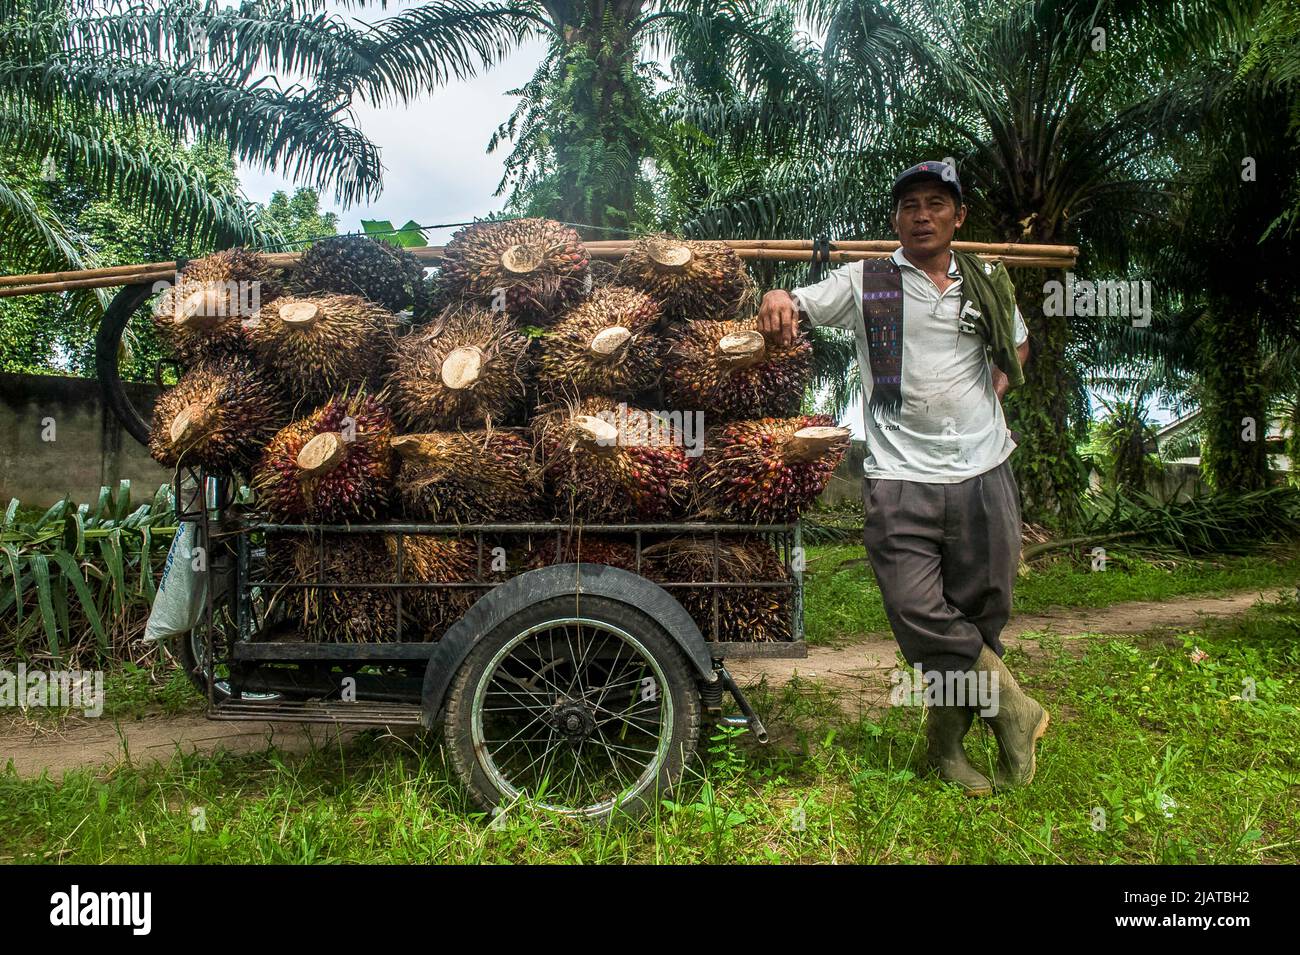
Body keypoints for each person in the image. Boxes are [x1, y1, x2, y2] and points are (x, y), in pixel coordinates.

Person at [757, 160, 1049, 795]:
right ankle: (1015, 708)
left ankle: (946, 750)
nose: (923, 215)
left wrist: (995, 392)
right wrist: (778, 296)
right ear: (896, 219)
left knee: (980, 616)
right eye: (911, 205)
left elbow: (1017, 345)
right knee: (917, 609)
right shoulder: (869, 281)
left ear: (958, 217)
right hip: (898, 475)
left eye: (936, 204)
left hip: (983, 469)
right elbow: (798, 305)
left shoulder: (987, 279)